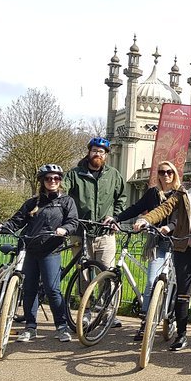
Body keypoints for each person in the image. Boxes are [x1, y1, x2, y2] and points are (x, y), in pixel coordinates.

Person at [134, 158, 191, 352]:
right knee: (183, 293)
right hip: (185, 248)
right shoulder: (184, 192)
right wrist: (145, 219)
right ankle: (181, 335)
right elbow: (165, 208)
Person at [0, 164, 78, 343]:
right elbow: (16, 221)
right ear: (42, 181)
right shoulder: (33, 203)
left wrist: (64, 229)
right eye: (48, 178)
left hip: (50, 250)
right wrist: (0, 225)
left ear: (60, 181)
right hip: (30, 249)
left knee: (53, 290)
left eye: (56, 178)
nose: (52, 181)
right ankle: (30, 327)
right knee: (29, 290)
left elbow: (73, 221)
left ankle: (61, 327)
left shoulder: (66, 201)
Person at [63, 136, 127, 327]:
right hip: (80, 233)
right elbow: (62, 192)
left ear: (106, 155)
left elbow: (121, 199)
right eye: (94, 150)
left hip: (105, 234)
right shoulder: (75, 174)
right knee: (83, 275)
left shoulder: (114, 175)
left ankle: (107, 312)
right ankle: (86, 310)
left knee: (106, 274)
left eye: (101, 152)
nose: (97, 154)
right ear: (89, 152)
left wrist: (115, 217)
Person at [114, 160, 181, 341]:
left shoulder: (180, 193)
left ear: (174, 174)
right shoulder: (153, 193)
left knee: (175, 282)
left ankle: (172, 315)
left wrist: (171, 227)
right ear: (158, 175)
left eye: (169, 172)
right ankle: (146, 321)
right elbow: (136, 208)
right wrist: (116, 218)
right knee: (151, 281)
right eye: (161, 172)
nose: (165, 175)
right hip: (156, 242)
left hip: (176, 243)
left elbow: (180, 217)